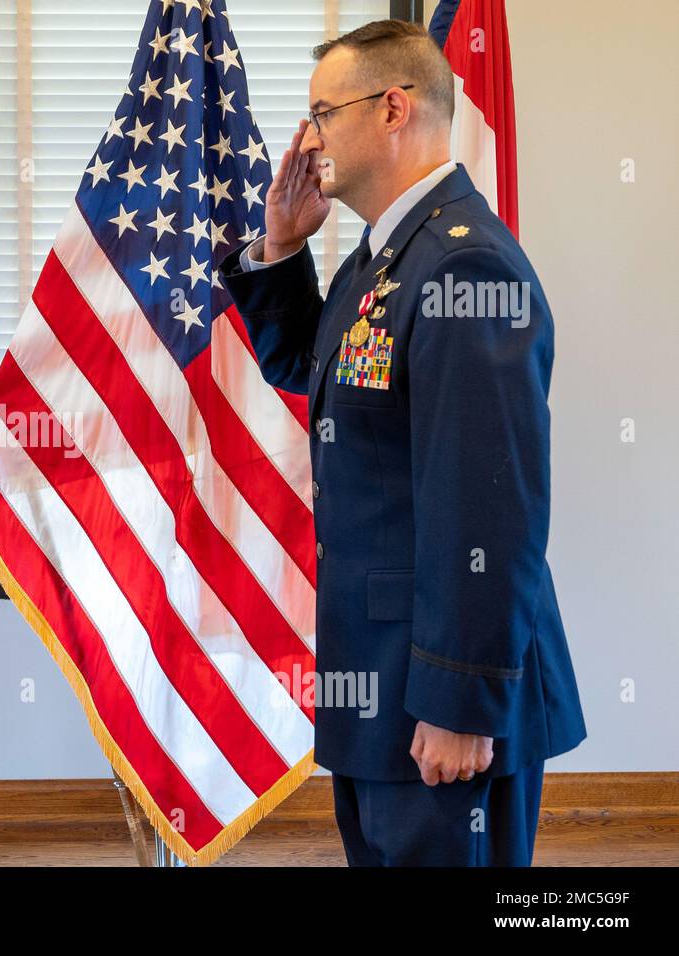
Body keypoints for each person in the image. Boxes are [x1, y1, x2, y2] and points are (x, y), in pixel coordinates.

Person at [221, 20, 586, 866]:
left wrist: (458, 701)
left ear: (393, 108)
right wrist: (281, 250)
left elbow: (490, 506)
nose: (306, 138)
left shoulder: (465, 268)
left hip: (439, 687)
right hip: (387, 673)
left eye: (323, 112)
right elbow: (323, 384)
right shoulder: (386, 259)